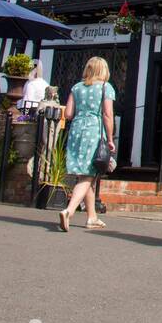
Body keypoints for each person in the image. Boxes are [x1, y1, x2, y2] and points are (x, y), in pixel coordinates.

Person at [55, 57, 116, 232]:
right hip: (93, 131)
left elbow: (67, 114)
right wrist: (110, 139)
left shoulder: (76, 87)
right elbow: (107, 114)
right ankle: (69, 210)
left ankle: (92, 217)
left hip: (76, 130)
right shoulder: (106, 87)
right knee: (88, 174)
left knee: (85, 174)